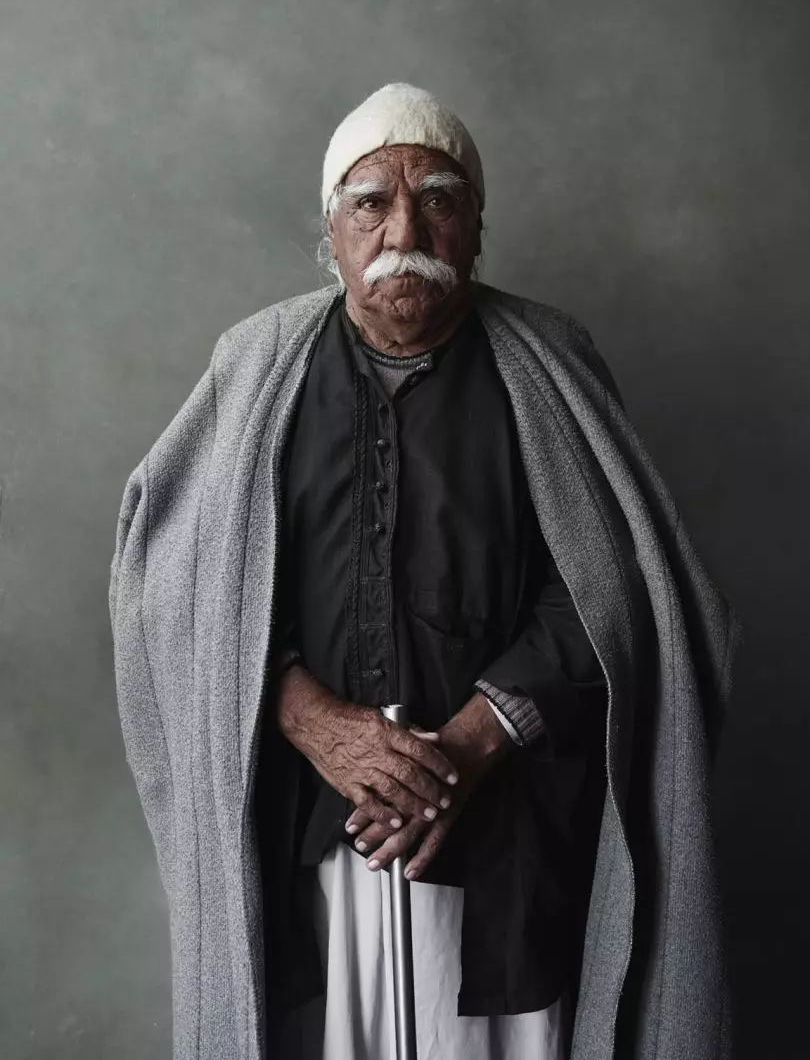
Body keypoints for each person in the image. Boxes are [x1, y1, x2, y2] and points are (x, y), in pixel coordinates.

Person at [108, 83, 743, 1060]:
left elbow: (617, 590)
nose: (405, 226)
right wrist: (307, 717)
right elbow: (176, 588)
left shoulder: (552, 362)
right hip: (307, 837)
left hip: (507, 842)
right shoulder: (255, 364)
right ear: (331, 228)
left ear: (477, 226)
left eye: (439, 199)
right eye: (371, 202)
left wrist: (472, 745)